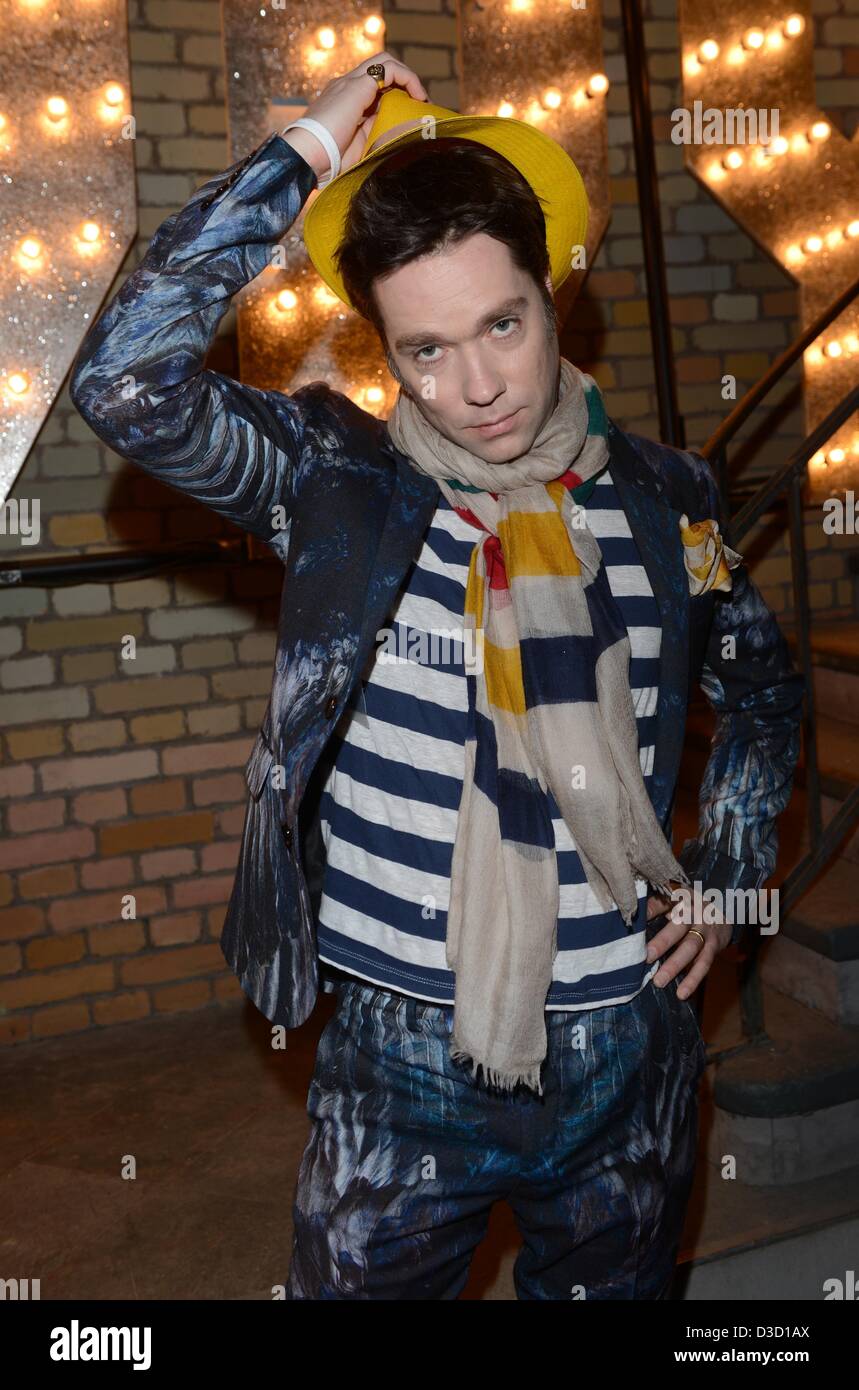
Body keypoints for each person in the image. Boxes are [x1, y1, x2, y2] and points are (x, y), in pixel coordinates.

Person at [69, 53, 805, 1300]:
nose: (475, 389)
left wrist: (731, 876)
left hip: (630, 1041)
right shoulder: (336, 484)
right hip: (400, 1054)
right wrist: (306, 145)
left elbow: (766, 696)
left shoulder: (664, 499)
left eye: (501, 326)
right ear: (385, 351)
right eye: (425, 350)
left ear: (551, 295)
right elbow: (125, 380)